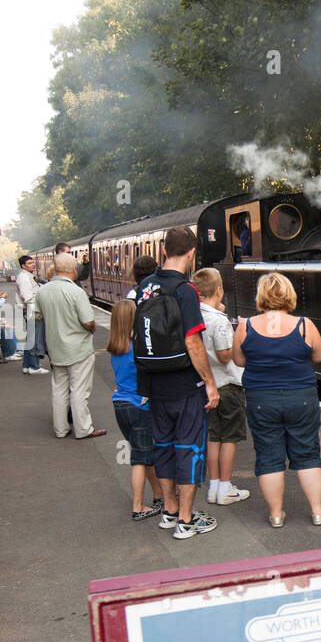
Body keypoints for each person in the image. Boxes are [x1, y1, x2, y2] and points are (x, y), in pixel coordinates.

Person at [134, 226, 219, 539]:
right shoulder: (185, 290)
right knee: (188, 448)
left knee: (164, 447)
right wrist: (209, 382)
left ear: (164, 250)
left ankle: (169, 511)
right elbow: (193, 341)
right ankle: (186, 519)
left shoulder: (145, 286)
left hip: (153, 382)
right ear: (192, 253)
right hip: (184, 384)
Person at [231, 272, 321, 528]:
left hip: (262, 399)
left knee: (269, 456)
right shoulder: (305, 325)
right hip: (301, 398)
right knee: (307, 454)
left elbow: (238, 361)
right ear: (289, 295)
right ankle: (318, 512)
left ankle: (276, 515)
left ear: (261, 296)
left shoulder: (245, 326)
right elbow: (320, 356)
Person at [192, 267, 250, 506]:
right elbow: (226, 355)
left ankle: (214, 486)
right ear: (219, 290)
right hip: (227, 385)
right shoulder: (219, 321)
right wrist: (240, 338)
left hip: (207, 384)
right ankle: (226, 487)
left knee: (213, 436)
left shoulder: (195, 314)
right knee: (230, 438)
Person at [34, 253, 105, 439]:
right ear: (73, 269)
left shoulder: (42, 291)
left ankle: (60, 429)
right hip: (78, 349)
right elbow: (88, 322)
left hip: (55, 349)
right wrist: (92, 328)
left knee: (59, 391)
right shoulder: (76, 292)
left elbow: (36, 316)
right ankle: (83, 429)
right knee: (79, 391)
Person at [106, 299, 163, 519]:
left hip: (120, 404)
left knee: (144, 453)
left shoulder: (115, 348)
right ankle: (138, 506)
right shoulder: (138, 349)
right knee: (140, 459)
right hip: (139, 406)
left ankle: (159, 496)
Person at [15, 254, 48, 374]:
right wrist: (38, 308)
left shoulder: (27, 276)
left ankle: (27, 365)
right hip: (32, 310)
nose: (33, 264)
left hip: (30, 310)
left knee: (31, 338)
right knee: (34, 339)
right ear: (23, 266)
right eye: (29, 263)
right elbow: (28, 297)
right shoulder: (24, 278)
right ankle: (34, 366)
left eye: (33, 262)